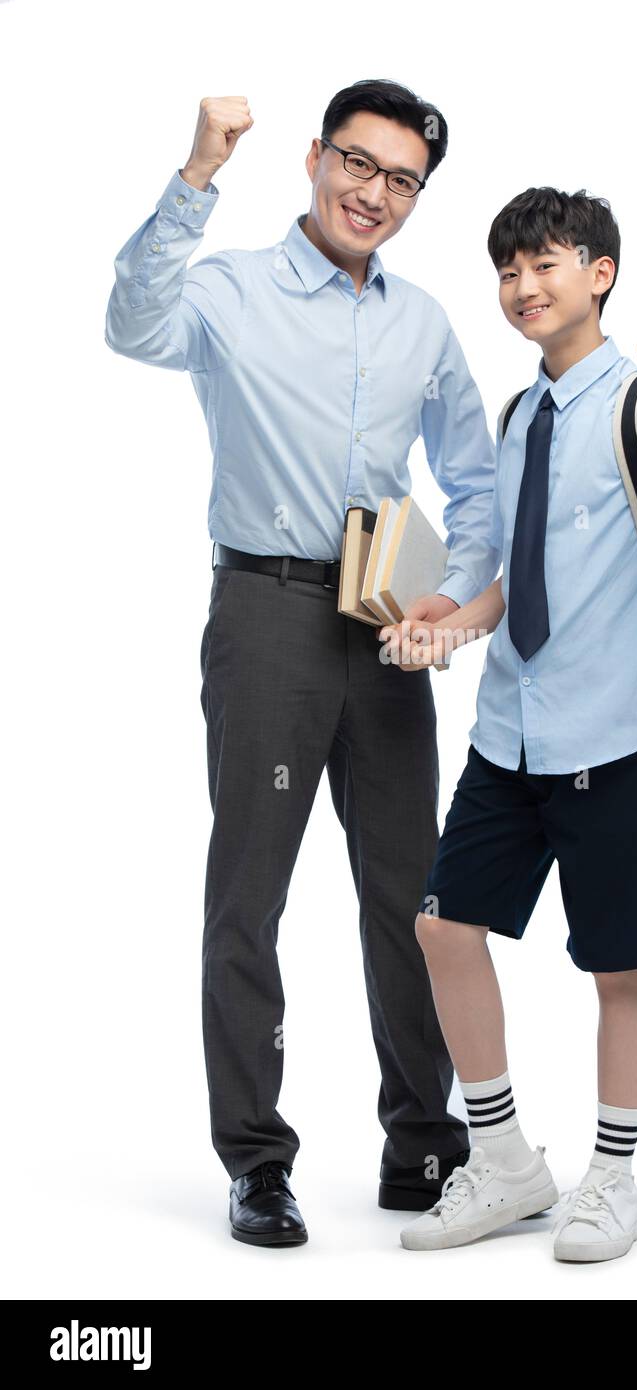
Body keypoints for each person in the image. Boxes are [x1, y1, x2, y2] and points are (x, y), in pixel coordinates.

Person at [104, 79, 502, 1246]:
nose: (372, 194)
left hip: (386, 625)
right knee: (250, 896)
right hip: (267, 616)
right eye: (358, 165)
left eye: (400, 182)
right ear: (318, 159)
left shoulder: (423, 321)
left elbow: (473, 484)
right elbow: (131, 326)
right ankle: (255, 1159)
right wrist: (195, 174)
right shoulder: (228, 288)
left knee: (412, 896)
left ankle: (423, 1142)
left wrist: (444, 593)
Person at [379, 185, 637, 1259]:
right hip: (510, 729)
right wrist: (451, 621)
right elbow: (514, 575)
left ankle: (610, 1179)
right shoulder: (520, 412)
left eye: (547, 264)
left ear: (598, 275)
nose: (524, 287)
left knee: (615, 965)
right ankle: (506, 1164)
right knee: (443, 927)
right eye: (508, 270)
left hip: (609, 732)